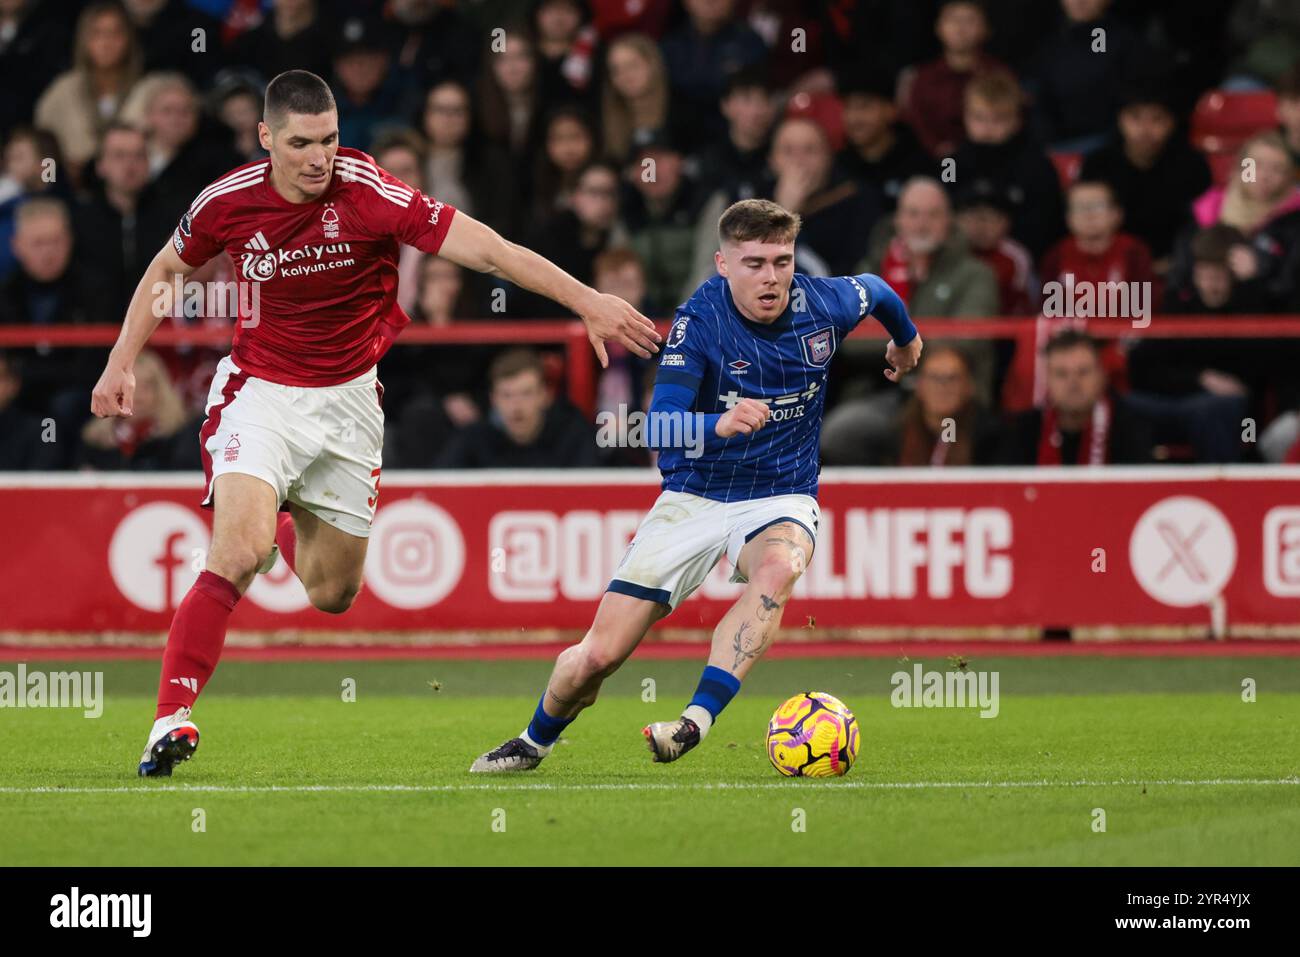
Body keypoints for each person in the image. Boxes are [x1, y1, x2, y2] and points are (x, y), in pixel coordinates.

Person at [87, 69, 660, 778]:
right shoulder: (227, 201)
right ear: (266, 137)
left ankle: (280, 519)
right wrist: (121, 360)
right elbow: (167, 269)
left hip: (350, 403)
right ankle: (169, 717)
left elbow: (487, 248)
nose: (317, 157)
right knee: (236, 552)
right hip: (259, 393)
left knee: (333, 594)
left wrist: (586, 300)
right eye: (299, 143)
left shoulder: (368, 191)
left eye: (328, 139)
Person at [470, 197, 922, 772]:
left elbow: (879, 290)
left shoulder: (824, 302)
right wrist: (720, 424)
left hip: (780, 493)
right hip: (695, 495)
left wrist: (906, 341)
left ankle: (694, 722)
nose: (772, 277)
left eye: (782, 261)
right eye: (754, 263)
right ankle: (533, 741)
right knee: (597, 658)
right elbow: (657, 424)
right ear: (723, 264)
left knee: (779, 567)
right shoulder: (699, 322)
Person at [998, 330, 1152, 465]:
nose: (1073, 383)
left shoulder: (1130, 429)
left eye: (1083, 372)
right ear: (1047, 380)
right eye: (1061, 374)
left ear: (1101, 376)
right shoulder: (1024, 431)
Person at [437, 347, 600, 469]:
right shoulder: (474, 440)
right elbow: (439, 482)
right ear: (493, 399)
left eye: (526, 394)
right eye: (507, 395)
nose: (516, 406)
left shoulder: (571, 435)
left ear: (543, 395)